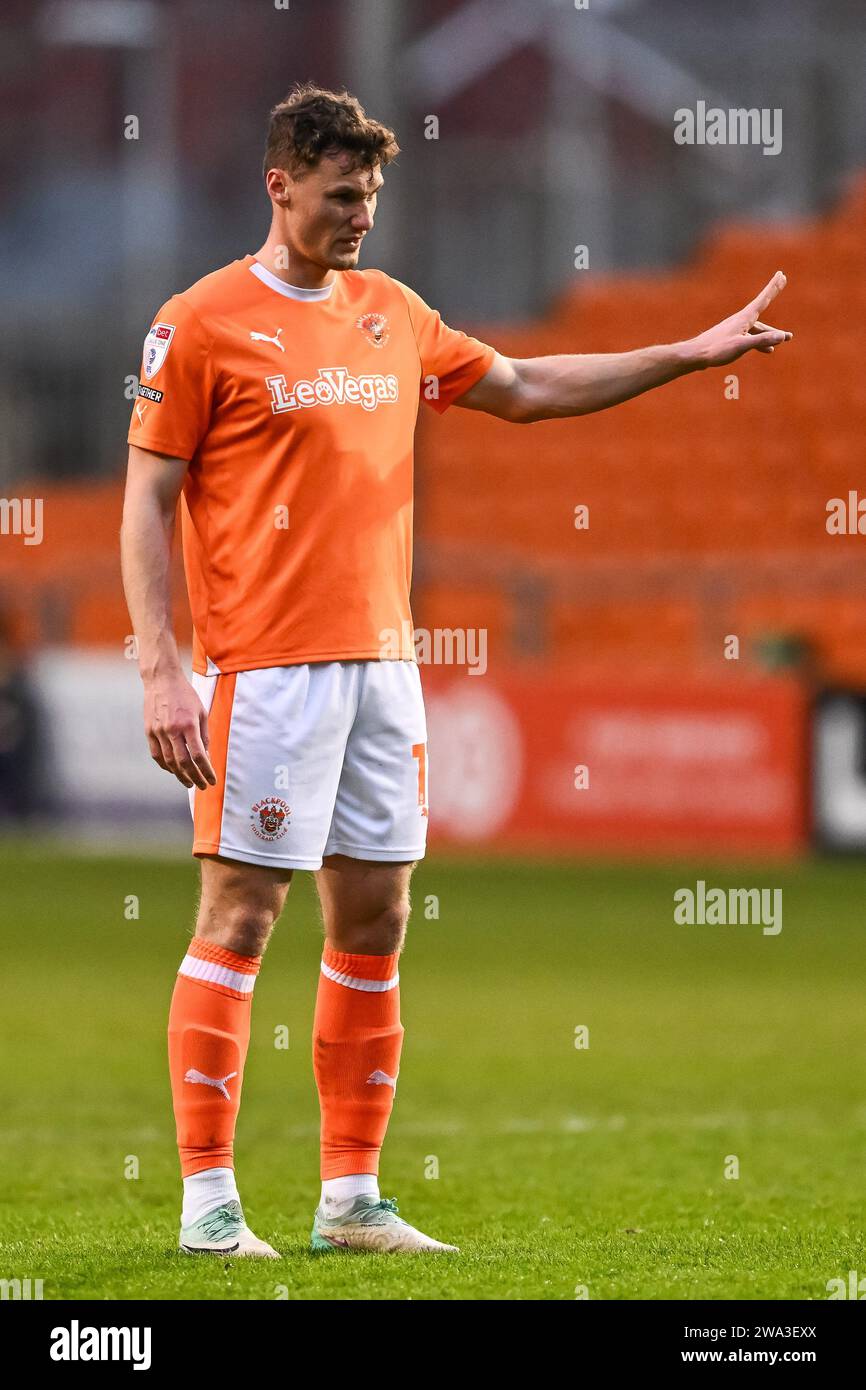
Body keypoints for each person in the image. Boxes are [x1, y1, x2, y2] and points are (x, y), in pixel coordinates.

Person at [120, 82, 791, 1258]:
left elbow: (527, 388)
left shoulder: (392, 312)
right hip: (266, 670)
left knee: (375, 916)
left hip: (384, 664)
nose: (359, 214)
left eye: (372, 194)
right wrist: (160, 666)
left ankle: (351, 1200)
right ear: (279, 184)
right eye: (339, 194)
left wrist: (687, 354)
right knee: (238, 915)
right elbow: (146, 503)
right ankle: (208, 1205)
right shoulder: (201, 322)